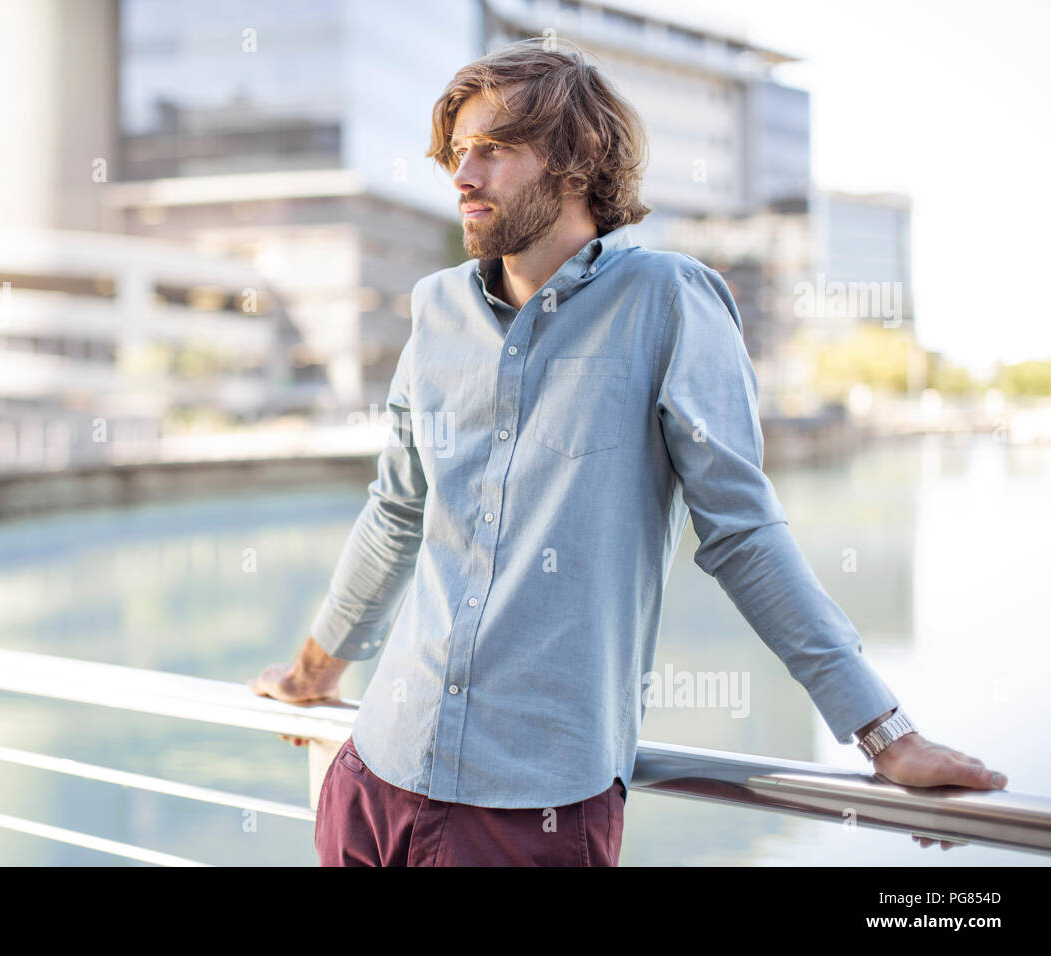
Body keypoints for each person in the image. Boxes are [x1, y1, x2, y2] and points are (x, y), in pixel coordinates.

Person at [249, 38, 1007, 867]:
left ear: (576, 162)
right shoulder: (435, 310)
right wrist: (313, 672)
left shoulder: (670, 302)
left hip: (529, 816)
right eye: (457, 154)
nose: (463, 176)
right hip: (373, 776)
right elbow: (395, 512)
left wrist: (884, 733)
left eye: (493, 150)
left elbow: (744, 534)